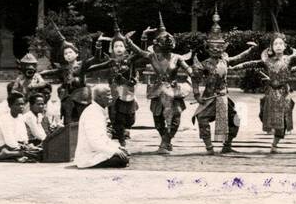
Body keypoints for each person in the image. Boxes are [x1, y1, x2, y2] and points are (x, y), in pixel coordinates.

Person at [188, 18, 257, 155]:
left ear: (223, 47)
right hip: (209, 99)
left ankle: (227, 145)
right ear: (208, 48)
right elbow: (195, 78)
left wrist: (250, 50)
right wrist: (196, 94)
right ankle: (209, 147)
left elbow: (237, 58)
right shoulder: (205, 64)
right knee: (202, 118)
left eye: (219, 47)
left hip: (223, 98)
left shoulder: (224, 60)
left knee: (235, 120)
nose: (215, 49)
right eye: (212, 47)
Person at [131, 14, 194, 154]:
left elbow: (187, 67)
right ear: (157, 43)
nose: (167, 42)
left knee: (175, 118)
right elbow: (139, 51)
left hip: (173, 90)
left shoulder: (177, 57)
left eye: (169, 40)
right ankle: (165, 141)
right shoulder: (152, 56)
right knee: (158, 119)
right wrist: (129, 40)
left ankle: (165, 142)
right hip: (158, 90)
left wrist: (192, 72)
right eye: (164, 40)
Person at [88, 21, 144, 146]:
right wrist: (98, 46)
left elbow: (142, 54)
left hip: (128, 91)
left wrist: (134, 41)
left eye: (121, 46)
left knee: (130, 118)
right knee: (115, 116)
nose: (119, 48)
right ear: (112, 48)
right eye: (116, 46)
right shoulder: (110, 61)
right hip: (113, 92)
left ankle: (124, 131)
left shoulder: (130, 61)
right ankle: (121, 139)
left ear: (125, 48)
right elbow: (96, 62)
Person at [45, 22, 92, 124]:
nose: (68, 55)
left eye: (70, 52)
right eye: (65, 53)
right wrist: (41, 73)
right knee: (68, 118)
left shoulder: (81, 65)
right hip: (68, 98)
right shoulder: (63, 68)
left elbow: (93, 61)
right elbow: (52, 72)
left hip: (81, 96)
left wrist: (98, 49)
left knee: (82, 119)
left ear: (76, 54)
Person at [75, 85, 129, 169]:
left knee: (123, 154)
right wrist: (114, 151)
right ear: (99, 97)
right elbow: (95, 142)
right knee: (122, 160)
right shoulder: (92, 113)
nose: (111, 97)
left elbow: (103, 138)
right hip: (89, 155)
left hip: (97, 151)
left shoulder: (98, 110)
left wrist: (116, 147)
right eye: (108, 95)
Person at [0, 92, 41, 161]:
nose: (21, 107)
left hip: (16, 145)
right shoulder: (5, 119)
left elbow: (24, 135)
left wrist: (26, 144)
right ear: (10, 106)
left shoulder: (20, 117)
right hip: (3, 146)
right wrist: (22, 147)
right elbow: (9, 141)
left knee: (35, 150)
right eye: (18, 104)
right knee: (31, 153)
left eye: (22, 104)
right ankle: (11, 154)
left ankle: (13, 155)